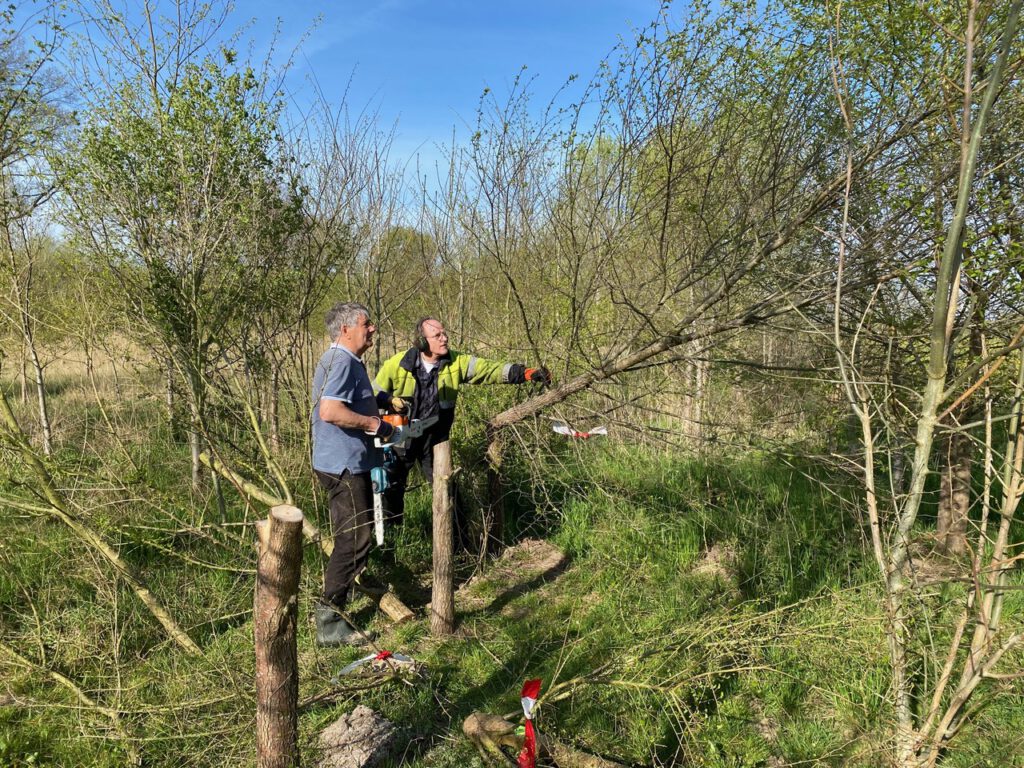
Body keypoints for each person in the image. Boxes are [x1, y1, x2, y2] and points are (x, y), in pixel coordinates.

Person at [373, 317, 550, 542]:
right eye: (437, 336)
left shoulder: (456, 362)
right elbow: (371, 396)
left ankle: (459, 545)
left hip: (436, 441)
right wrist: (388, 400)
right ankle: (391, 542)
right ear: (421, 341)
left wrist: (525, 373)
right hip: (401, 439)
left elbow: (489, 369)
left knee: (448, 492)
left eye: (444, 334)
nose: (444, 338)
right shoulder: (397, 365)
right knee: (391, 489)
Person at [310, 301, 397, 647]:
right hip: (343, 465)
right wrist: (375, 423)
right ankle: (330, 622)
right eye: (367, 323)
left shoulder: (346, 361)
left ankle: (334, 612)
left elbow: (350, 397)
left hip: (346, 461)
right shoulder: (341, 360)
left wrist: (380, 401)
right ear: (346, 329)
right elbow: (331, 410)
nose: (373, 328)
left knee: (354, 538)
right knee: (355, 539)